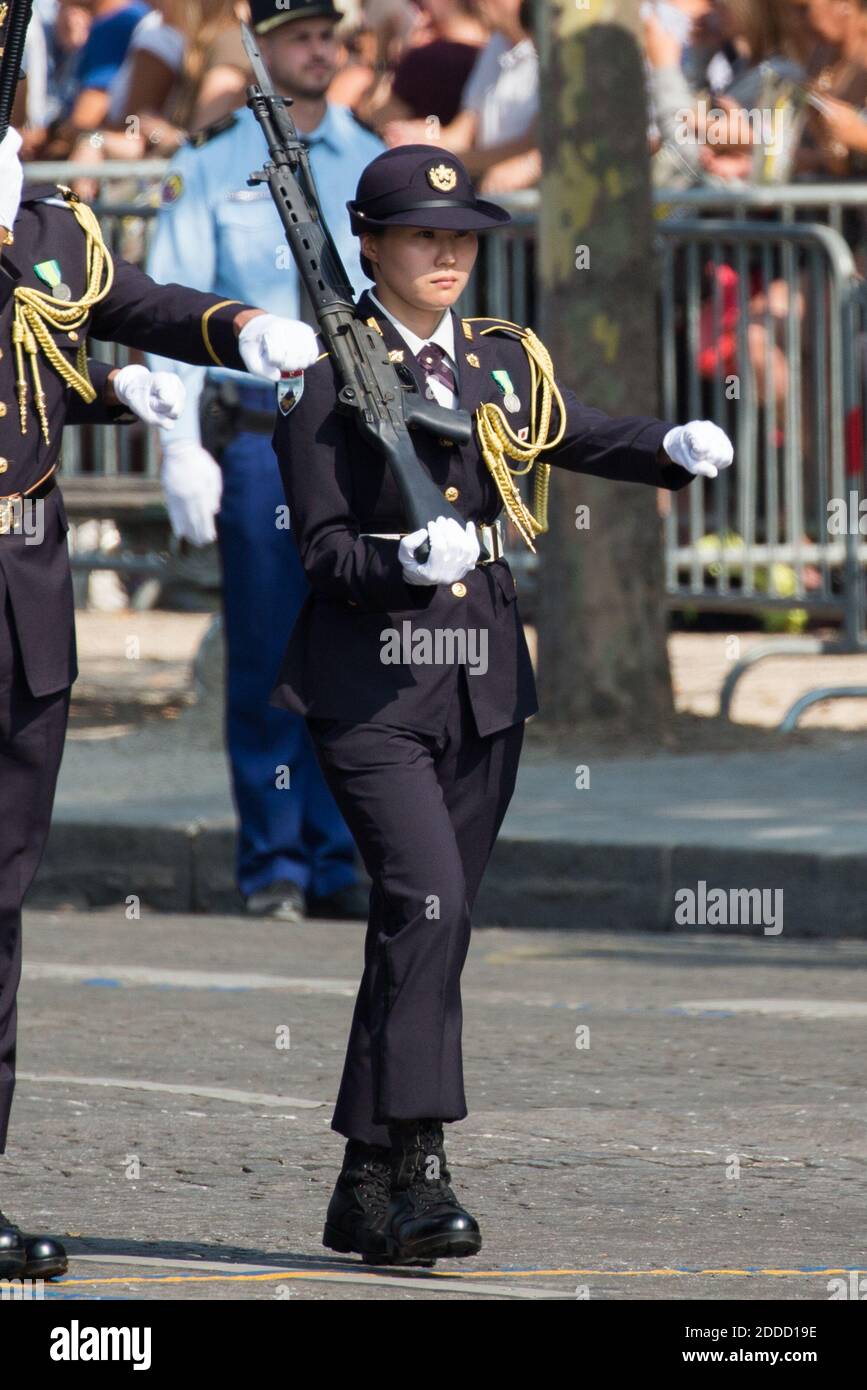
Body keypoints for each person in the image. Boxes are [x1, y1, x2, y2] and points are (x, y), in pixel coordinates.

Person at [268, 143, 735, 1266]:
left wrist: (665, 447)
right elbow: (324, 551)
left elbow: (559, 428)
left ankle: (364, 1189)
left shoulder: (490, 361)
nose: (447, 253)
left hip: (481, 684)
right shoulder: (328, 373)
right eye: (424, 236)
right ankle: (422, 1166)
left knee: (428, 932)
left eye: (462, 237)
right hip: (373, 689)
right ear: (369, 243)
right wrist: (400, 562)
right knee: (425, 902)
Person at [0, 121, 319, 1280]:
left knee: (1, 905)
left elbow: (142, 302)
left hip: (23, 610)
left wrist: (237, 331)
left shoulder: (51, 235)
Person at [146, 0, 385, 923]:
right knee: (266, 654)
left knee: (357, 652)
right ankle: (273, 862)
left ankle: (341, 856)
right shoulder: (207, 167)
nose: (318, 50)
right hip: (258, 437)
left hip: (364, 438)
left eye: (329, 35)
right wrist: (177, 440)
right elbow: (168, 308)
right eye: (299, 36)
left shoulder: (375, 159)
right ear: (261, 52)